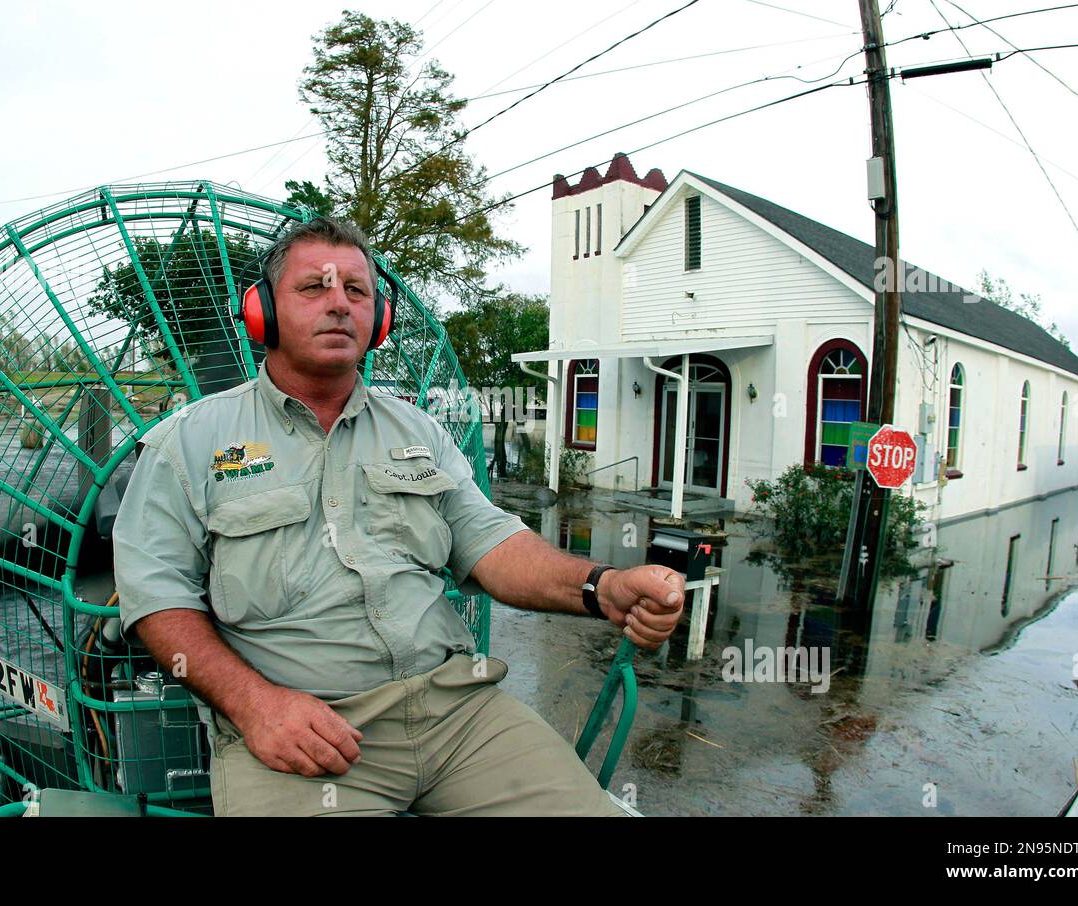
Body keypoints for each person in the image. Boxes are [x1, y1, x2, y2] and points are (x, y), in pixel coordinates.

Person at [113, 216, 685, 816]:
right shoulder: (190, 442)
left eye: (356, 292)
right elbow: (156, 598)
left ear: (378, 320)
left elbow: (493, 544)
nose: (339, 305)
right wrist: (254, 706)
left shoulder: (421, 432)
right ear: (263, 314)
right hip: (304, 730)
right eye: (314, 288)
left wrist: (602, 586)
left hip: (458, 712)